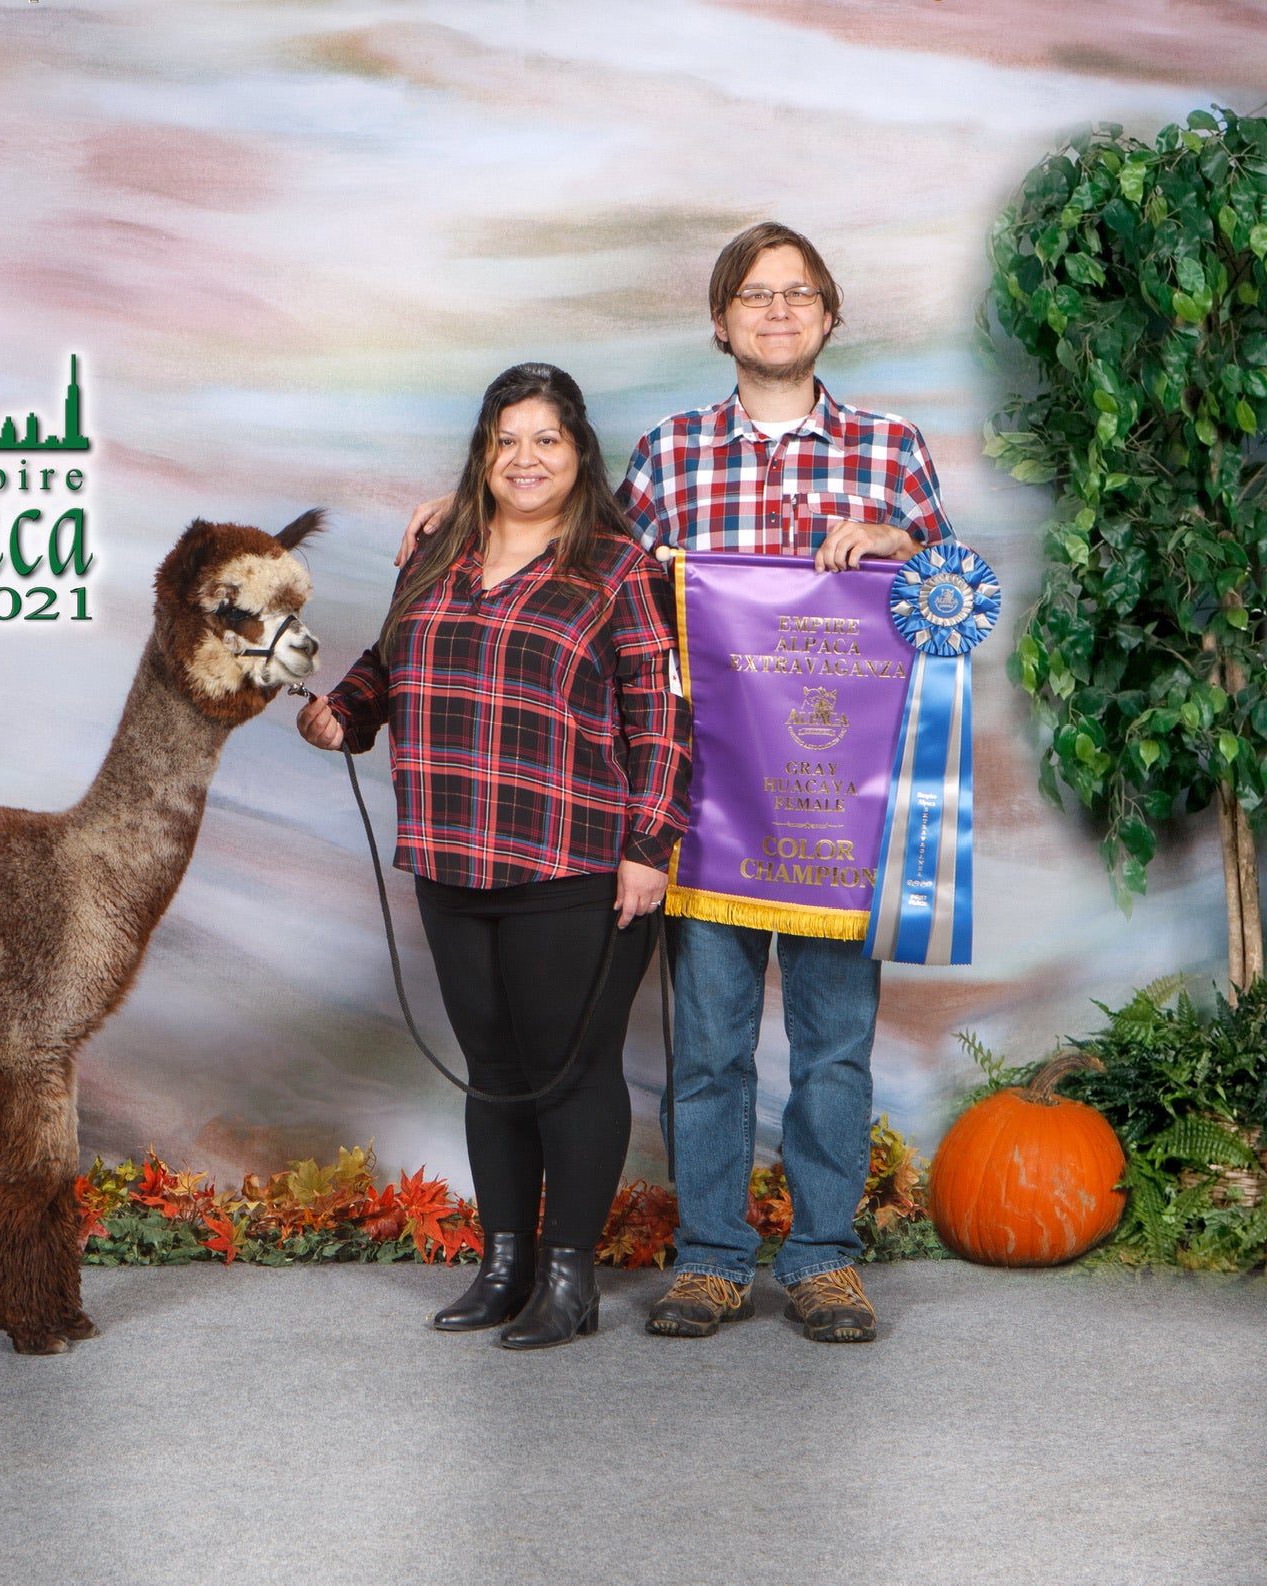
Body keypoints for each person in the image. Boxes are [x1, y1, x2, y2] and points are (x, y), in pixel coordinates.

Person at [397, 223, 952, 1344]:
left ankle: (826, 1257)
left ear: (831, 315)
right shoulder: (669, 454)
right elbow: (573, 565)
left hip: (837, 814)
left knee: (836, 1042)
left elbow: (958, 601)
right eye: (756, 294)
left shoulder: (894, 450)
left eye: (800, 293)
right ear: (720, 320)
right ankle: (710, 1256)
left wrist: (909, 547)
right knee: (706, 1042)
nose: (779, 310)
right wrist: (452, 523)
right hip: (703, 809)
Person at [300, 362, 690, 1350]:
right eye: (506, 440)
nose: (525, 458)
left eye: (546, 440)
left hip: (574, 858)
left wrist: (651, 844)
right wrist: (342, 713)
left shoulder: (617, 564)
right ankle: (503, 1264)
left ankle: (569, 1279)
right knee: (495, 1072)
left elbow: (664, 712)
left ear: (578, 453)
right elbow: (386, 661)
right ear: (483, 453)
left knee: (570, 1072)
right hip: (449, 852)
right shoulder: (435, 551)